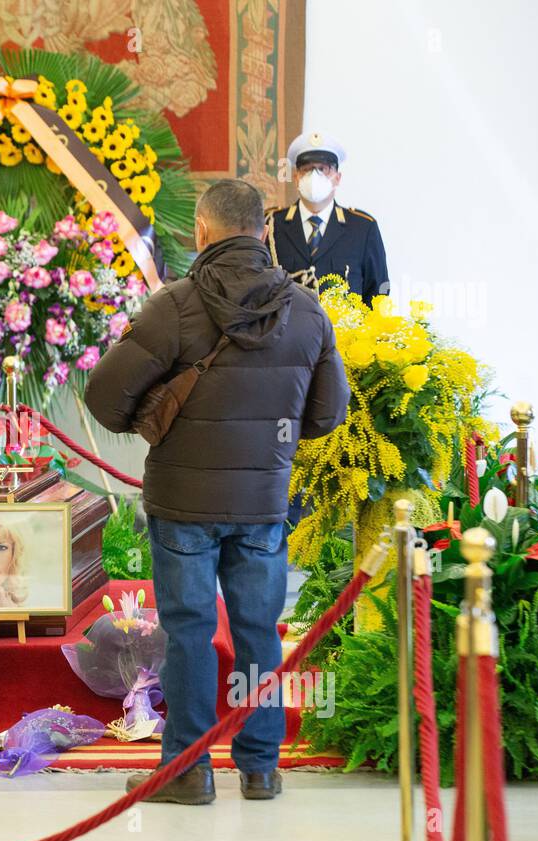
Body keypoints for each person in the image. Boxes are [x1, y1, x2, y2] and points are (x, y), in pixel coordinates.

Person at [84, 179, 349, 805]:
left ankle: (187, 772)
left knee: (189, 631)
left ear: (201, 232)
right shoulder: (307, 311)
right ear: (263, 232)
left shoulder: (171, 306)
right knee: (260, 631)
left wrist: (155, 419)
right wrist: (269, 444)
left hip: (181, 502)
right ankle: (260, 769)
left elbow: (103, 396)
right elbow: (329, 412)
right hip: (262, 503)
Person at [265, 131, 389, 301]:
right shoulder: (272, 225)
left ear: (337, 178)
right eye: (307, 170)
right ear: (295, 178)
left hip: (344, 327)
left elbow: (378, 293)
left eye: (323, 169)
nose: (315, 176)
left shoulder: (362, 228)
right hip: (288, 327)